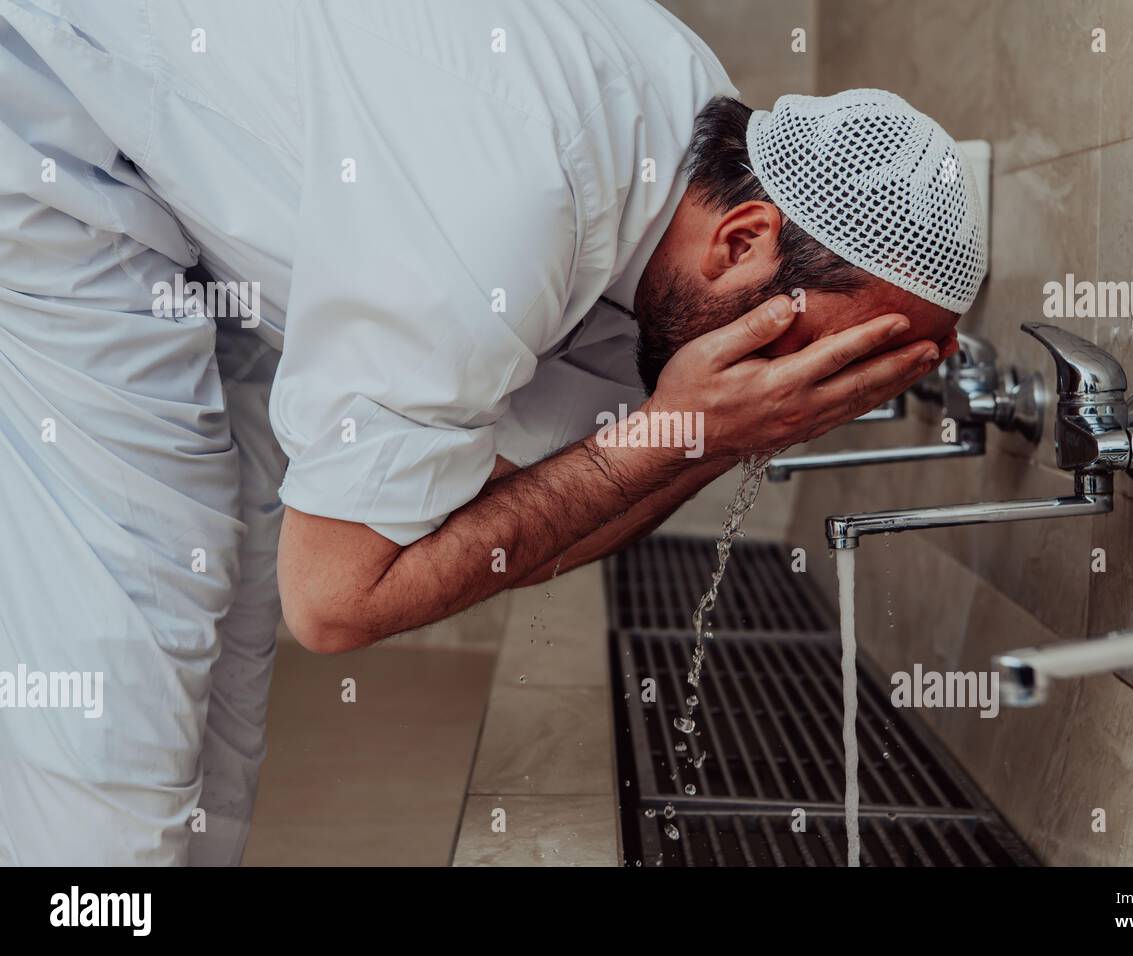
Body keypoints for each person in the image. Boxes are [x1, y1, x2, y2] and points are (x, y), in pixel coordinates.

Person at [0, 0, 984, 865]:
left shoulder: (697, 176)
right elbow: (337, 599)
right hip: (57, 130)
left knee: (229, 632)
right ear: (744, 242)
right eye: (817, 357)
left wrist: (715, 432)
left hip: (217, 195)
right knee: (139, 623)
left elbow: (523, 506)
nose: (809, 393)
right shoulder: (503, 214)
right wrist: (693, 425)